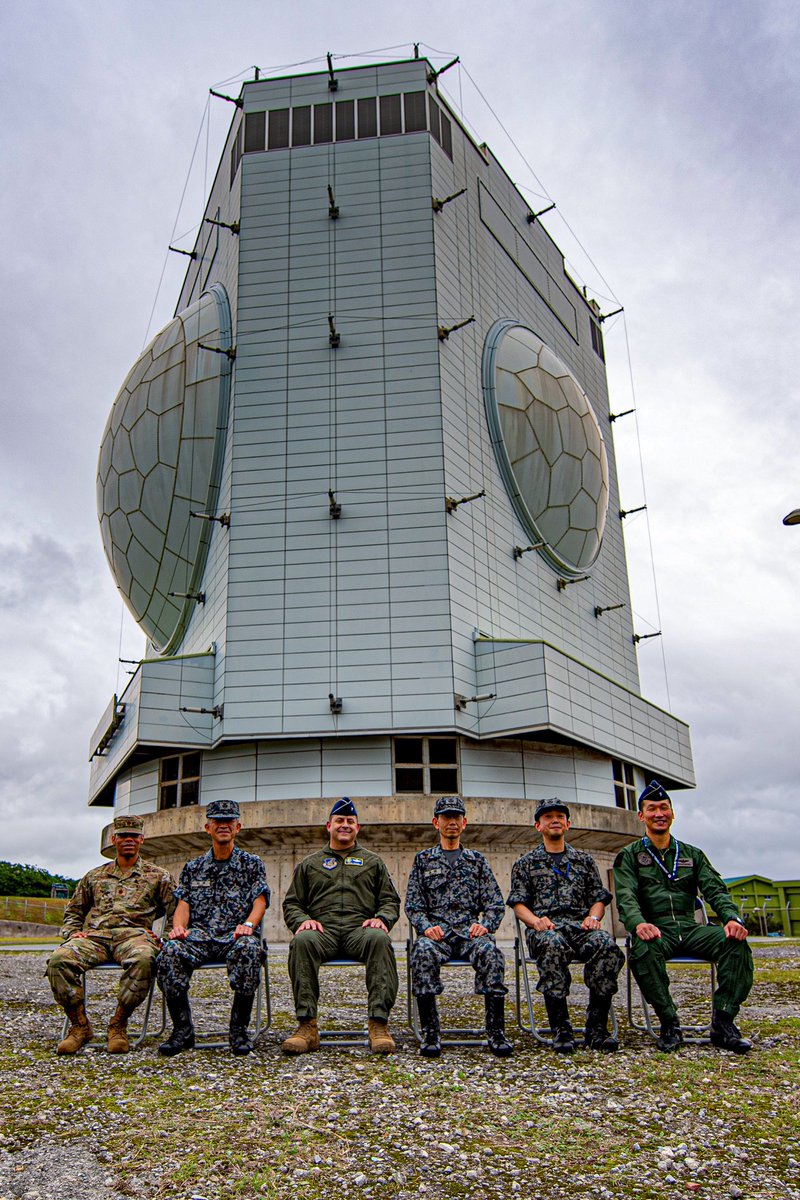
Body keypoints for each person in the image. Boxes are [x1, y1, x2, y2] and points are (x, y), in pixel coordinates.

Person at [613, 780, 753, 1054]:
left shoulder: (692, 854)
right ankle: (669, 1022)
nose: (659, 813)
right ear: (641, 815)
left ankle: (723, 1022)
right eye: (651, 809)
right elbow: (626, 896)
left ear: (673, 813)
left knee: (734, 943)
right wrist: (638, 923)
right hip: (656, 929)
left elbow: (715, 890)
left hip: (690, 928)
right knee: (643, 949)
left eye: (664, 807)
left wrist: (732, 918)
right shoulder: (629, 855)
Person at [46, 814, 175, 1055]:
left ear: (142, 840)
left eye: (134, 836)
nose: (129, 840)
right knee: (58, 961)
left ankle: (118, 1025)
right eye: (123, 836)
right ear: (114, 839)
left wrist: (165, 939)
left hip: (133, 936)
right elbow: (74, 910)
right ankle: (79, 1027)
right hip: (96, 937)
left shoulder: (158, 875)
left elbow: (176, 912)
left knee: (144, 959)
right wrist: (73, 932)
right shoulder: (94, 876)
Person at [282, 798, 400, 1054]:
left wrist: (382, 918)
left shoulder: (373, 862)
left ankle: (378, 1024)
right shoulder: (310, 864)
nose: (344, 825)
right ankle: (307, 1026)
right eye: (339, 821)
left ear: (358, 827)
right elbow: (292, 903)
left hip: (360, 931)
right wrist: (303, 921)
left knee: (380, 939)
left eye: (350, 821)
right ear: (328, 825)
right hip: (324, 932)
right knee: (301, 941)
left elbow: (390, 900)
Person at [508, 798, 624, 1053]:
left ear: (568, 824)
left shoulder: (584, 860)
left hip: (580, 928)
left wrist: (594, 917)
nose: (555, 820)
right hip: (546, 929)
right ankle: (561, 1027)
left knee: (607, 947)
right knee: (552, 946)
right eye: (548, 817)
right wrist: (536, 921)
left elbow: (598, 899)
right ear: (538, 826)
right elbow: (518, 904)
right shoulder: (526, 863)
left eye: (560, 816)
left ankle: (596, 1027)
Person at [156, 799, 270, 1056]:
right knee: (170, 952)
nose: (223, 825)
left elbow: (260, 900)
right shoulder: (193, 867)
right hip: (200, 936)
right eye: (217, 821)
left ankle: (238, 1031)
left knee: (249, 950)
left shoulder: (251, 864)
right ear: (208, 827)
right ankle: (183, 1031)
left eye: (228, 821)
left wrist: (249, 925)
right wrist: (178, 928)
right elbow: (183, 905)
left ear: (238, 826)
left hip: (235, 934)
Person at [404, 796, 512, 1057]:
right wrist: (426, 927)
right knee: (421, 952)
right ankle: (431, 1032)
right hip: (437, 934)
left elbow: (495, 904)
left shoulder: (477, 861)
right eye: (445, 817)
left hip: (469, 933)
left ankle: (496, 1032)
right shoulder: (424, 860)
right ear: (435, 822)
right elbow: (413, 905)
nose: (451, 822)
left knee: (491, 954)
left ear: (464, 823)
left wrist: (485, 926)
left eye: (456, 818)